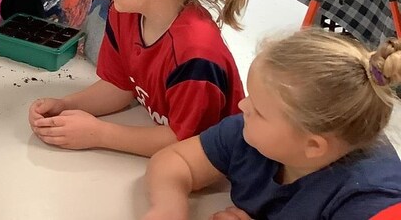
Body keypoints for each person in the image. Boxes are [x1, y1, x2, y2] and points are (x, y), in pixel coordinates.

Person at [28, 0, 247, 157]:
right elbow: (120, 87)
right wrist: (66, 105)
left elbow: (186, 142)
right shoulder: (126, 11)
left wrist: (99, 134)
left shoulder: (195, 54)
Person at [144, 30, 401, 220]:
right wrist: (169, 208)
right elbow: (175, 160)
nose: (243, 106)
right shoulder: (252, 134)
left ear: (313, 145)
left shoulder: (370, 198)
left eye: (257, 108)